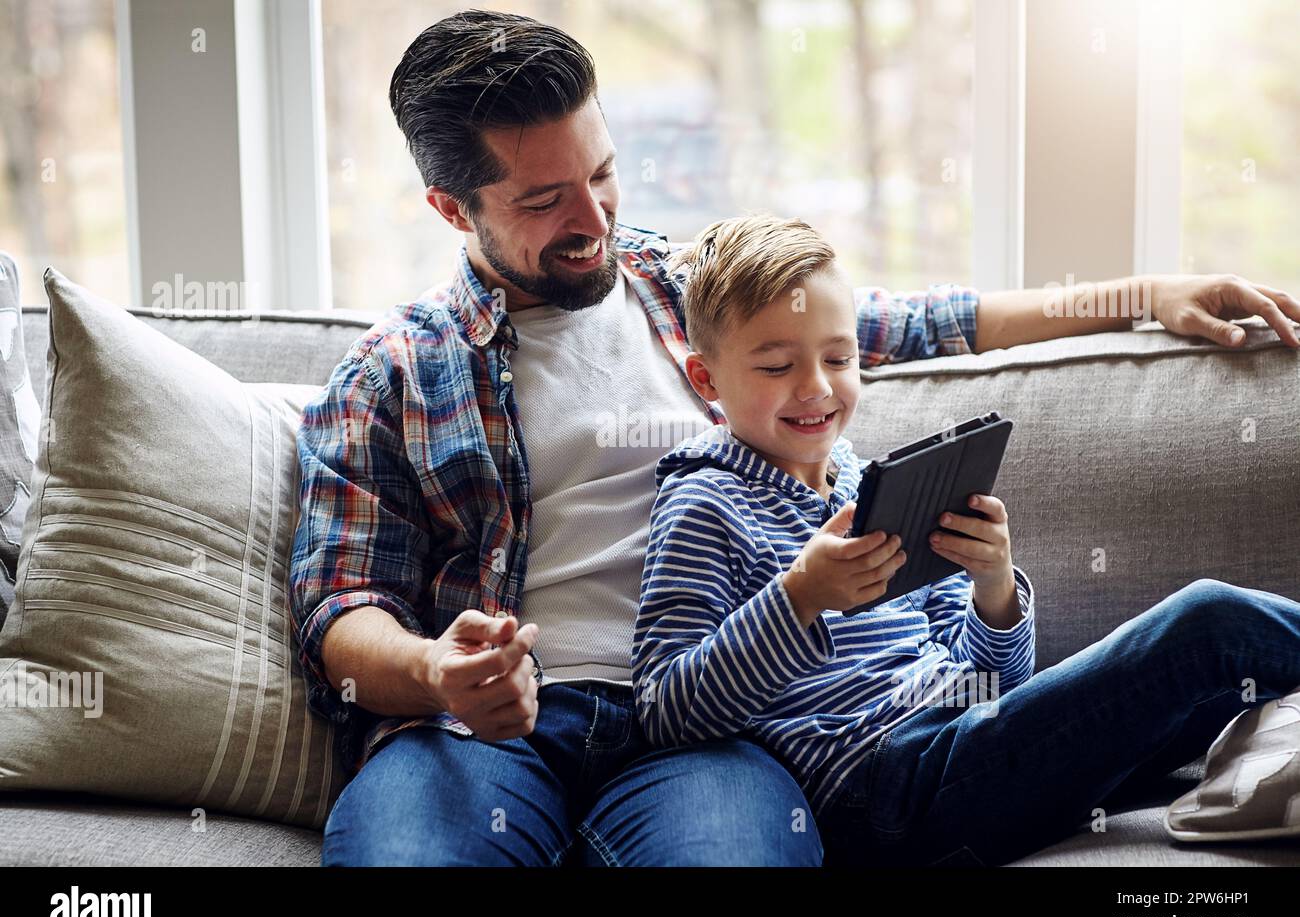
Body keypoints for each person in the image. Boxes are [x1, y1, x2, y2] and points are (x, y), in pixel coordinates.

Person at [288, 9, 1300, 866]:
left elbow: (913, 321)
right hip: (483, 730)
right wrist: (434, 671)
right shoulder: (392, 373)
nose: (592, 215)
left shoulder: (692, 291)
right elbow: (338, 604)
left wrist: (1143, 295)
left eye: (601, 174)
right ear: (449, 207)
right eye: (544, 200)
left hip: (709, 741)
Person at [632, 213, 1300, 867]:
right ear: (707, 381)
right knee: (1209, 626)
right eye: (776, 367)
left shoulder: (874, 487)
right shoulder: (704, 501)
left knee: (1219, 685)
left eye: (838, 358)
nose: (816, 387)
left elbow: (994, 685)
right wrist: (798, 598)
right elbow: (666, 712)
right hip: (884, 791)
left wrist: (994, 589)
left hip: (969, 753)